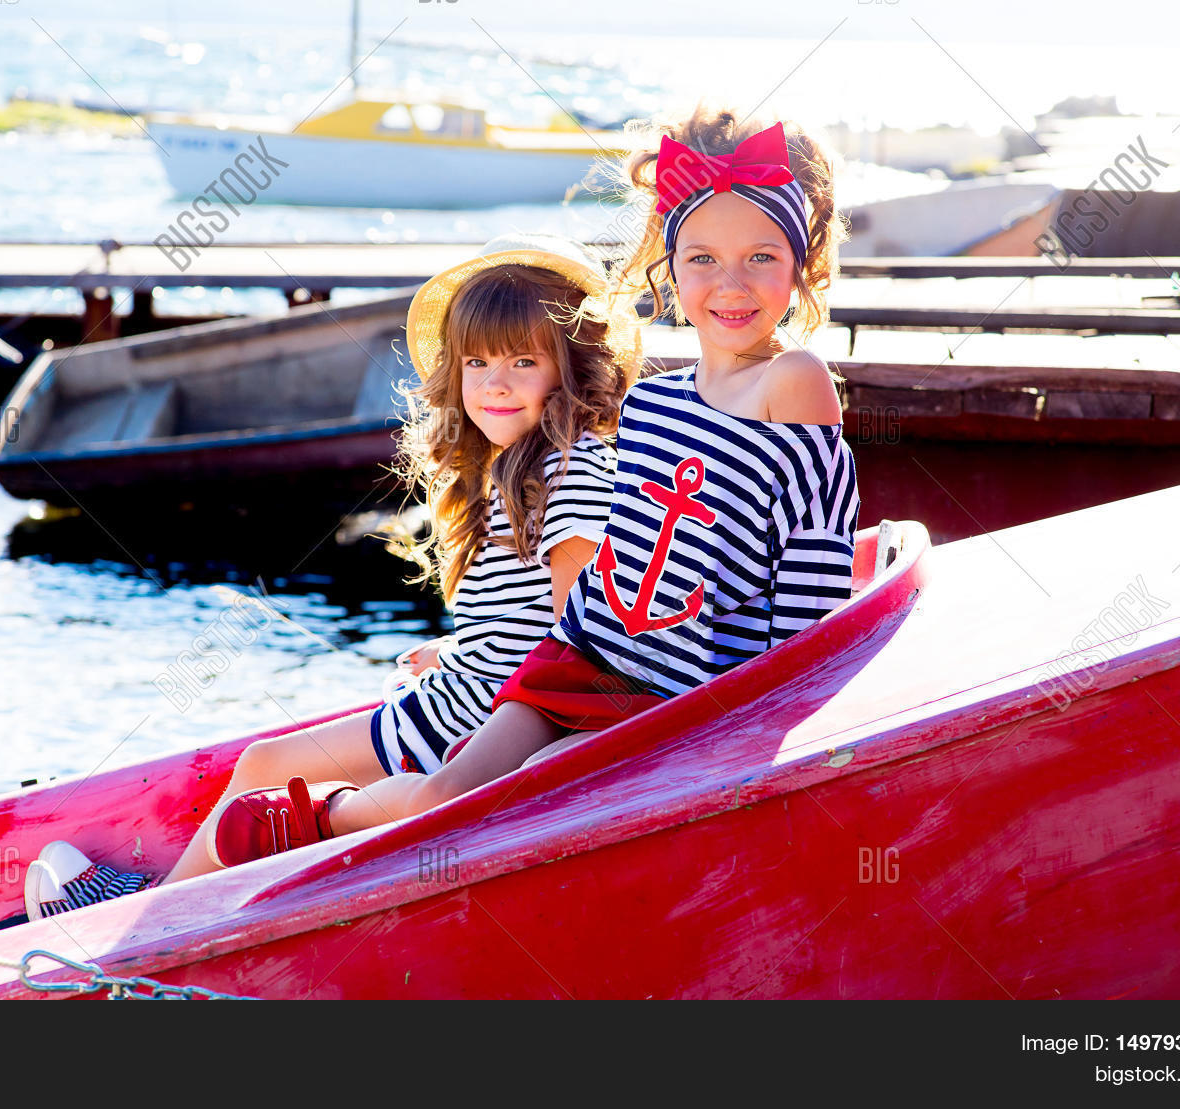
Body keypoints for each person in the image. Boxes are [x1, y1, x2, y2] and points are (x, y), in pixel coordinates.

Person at [272, 104, 861, 845]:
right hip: (585, 655)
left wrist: (773, 726)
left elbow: (812, 565)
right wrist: (466, 654)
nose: (730, 284)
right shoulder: (651, 402)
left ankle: (302, 826)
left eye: (762, 257)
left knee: (525, 796)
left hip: (678, 694)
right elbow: (612, 569)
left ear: (802, 265)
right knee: (447, 794)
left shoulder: (795, 378)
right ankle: (308, 821)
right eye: (703, 258)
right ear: (670, 268)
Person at [22, 233, 640, 917]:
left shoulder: (569, 467)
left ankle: (153, 915)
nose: (495, 382)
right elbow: (523, 620)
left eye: (524, 360)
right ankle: (223, 877)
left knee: (262, 764)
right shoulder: (521, 465)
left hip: (483, 714)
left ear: (570, 369)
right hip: (476, 690)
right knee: (288, 748)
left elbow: (573, 633)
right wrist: (454, 649)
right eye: (478, 361)